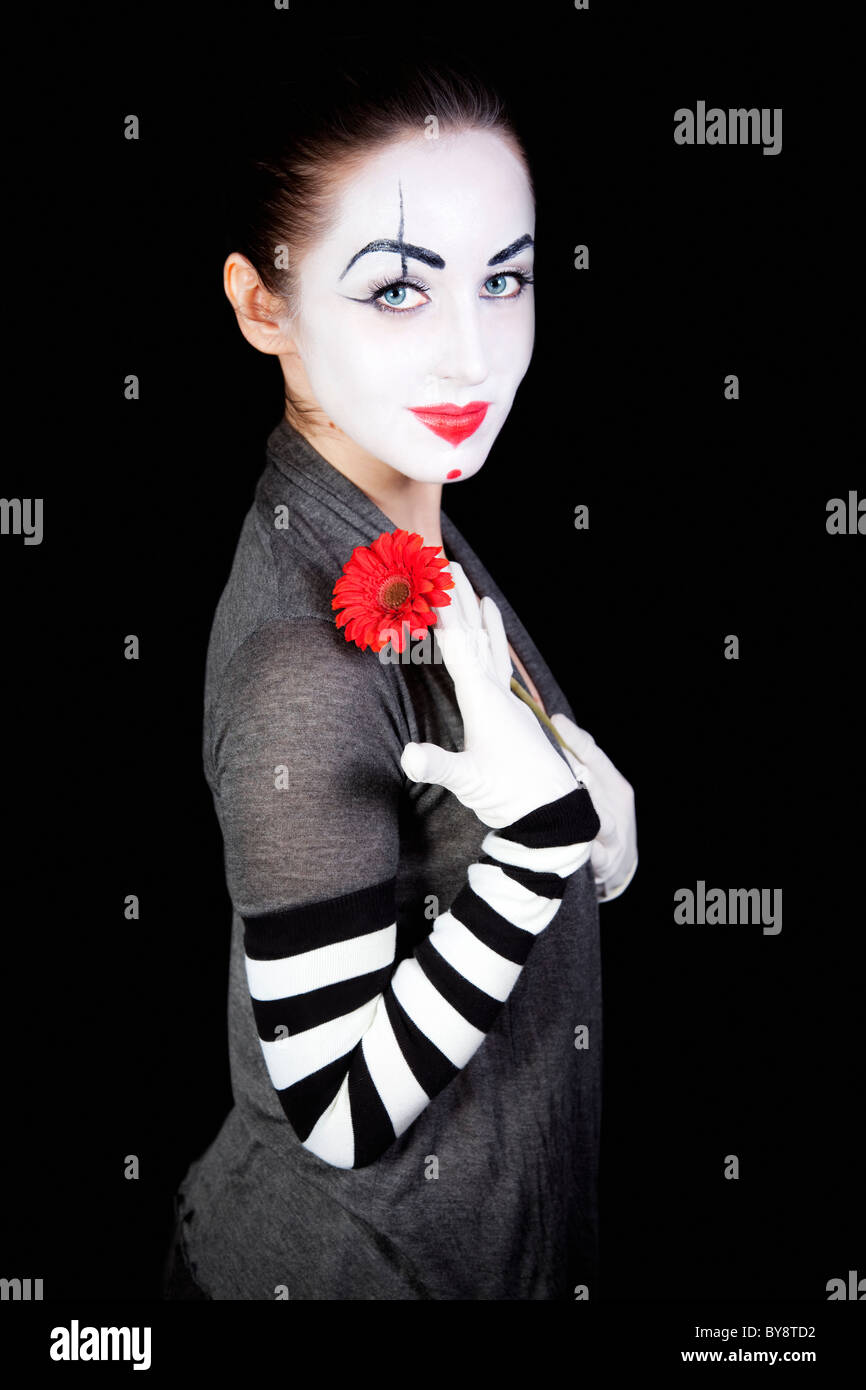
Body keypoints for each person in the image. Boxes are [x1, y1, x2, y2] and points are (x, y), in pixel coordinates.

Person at [163, 55, 637, 1301]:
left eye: (506, 279)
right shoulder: (297, 667)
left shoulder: (395, 496)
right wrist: (538, 846)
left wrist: (578, 778)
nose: (471, 355)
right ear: (263, 308)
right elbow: (336, 1111)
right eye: (394, 291)